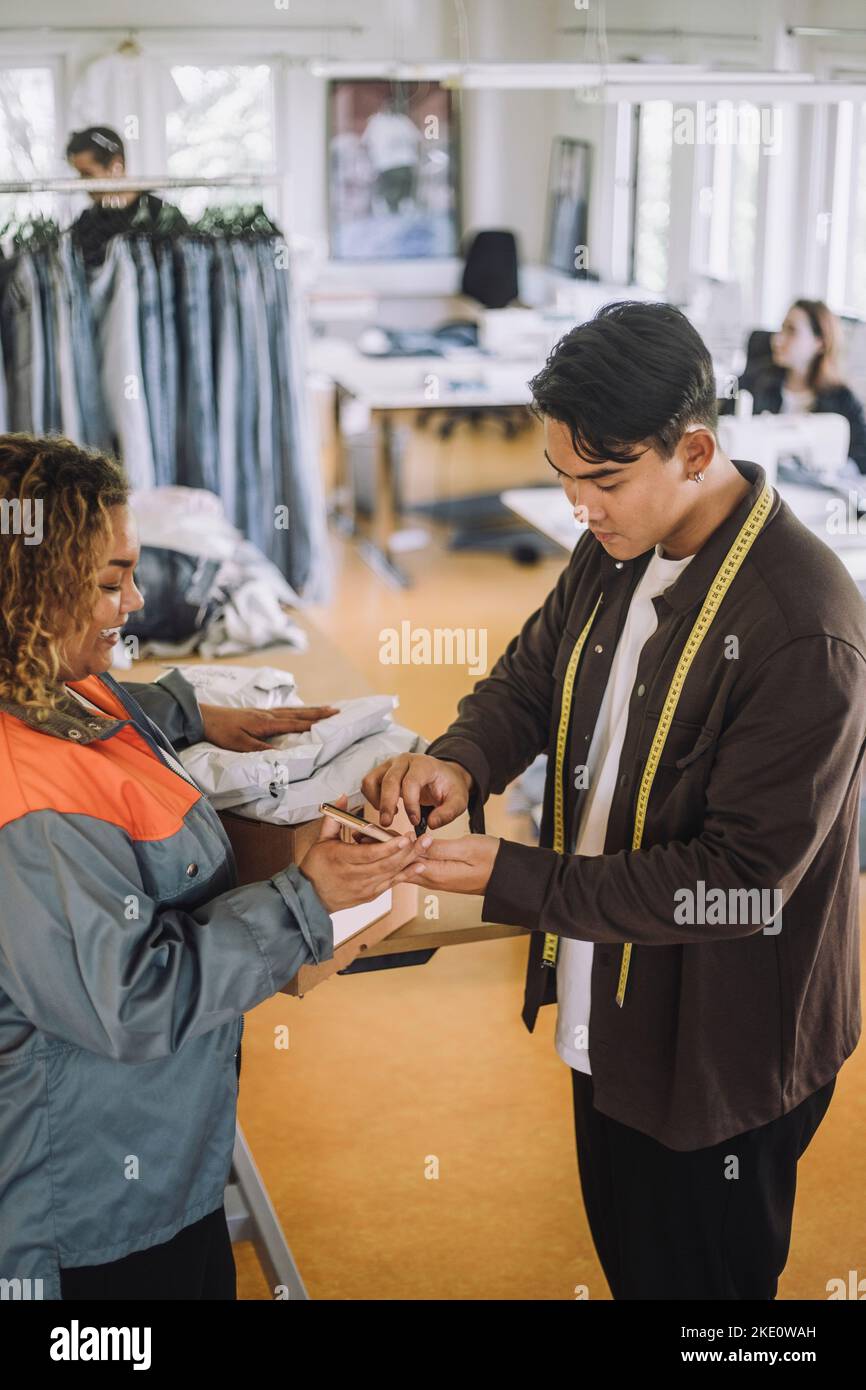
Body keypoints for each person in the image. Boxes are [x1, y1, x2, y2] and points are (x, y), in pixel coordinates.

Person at [362, 300, 866, 1301]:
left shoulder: (802, 629)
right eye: (565, 476)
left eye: (603, 479)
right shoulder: (619, 540)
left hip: (720, 1052)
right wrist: (459, 762)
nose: (580, 507)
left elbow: (736, 886)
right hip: (614, 1009)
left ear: (693, 449)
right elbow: (533, 673)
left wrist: (510, 877)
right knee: (638, 1266)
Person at [0, 434, 426, 1301]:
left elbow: (108, 706)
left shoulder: (49, 678)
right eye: (110, 580)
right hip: (88, 1216)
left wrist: (190, 711)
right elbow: (132, 998)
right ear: (30, 588)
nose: (137, 599)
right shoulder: (27, 803)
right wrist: (303, 903)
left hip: (148, 1152)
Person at [744, 298, 866, 474]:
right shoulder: (755, 381)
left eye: (791, 331)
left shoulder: (843, 401)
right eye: (781, 328)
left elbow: (861, 459)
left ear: (820, 343)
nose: (777, 339)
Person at [66, 126, 189, 267]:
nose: (82, 184)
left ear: (116, 165)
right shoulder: (86, 223)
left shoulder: (162, 217)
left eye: (87, 174)